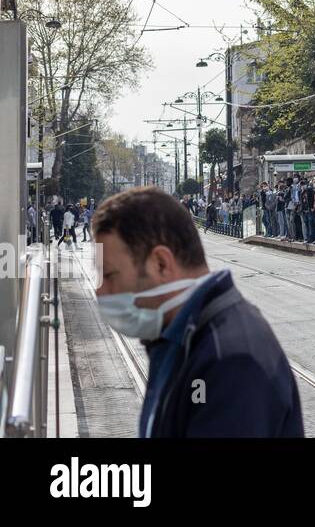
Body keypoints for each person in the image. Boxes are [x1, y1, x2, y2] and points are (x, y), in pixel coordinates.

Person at [93, 186, 303, 437]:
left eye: (109, 275)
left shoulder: (230, 361)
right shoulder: (179, 335)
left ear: (161, 263)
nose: (101, 291)